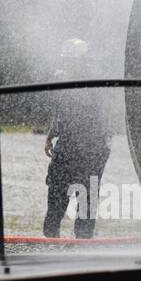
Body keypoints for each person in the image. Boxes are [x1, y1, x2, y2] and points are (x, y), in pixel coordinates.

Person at [42, 38, 112, 239]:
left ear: (82, 61)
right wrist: (50, 135)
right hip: (69, 142)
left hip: (93, 146)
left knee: (87, 195)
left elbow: (82, 106)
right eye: (65, 60)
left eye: (70, 61)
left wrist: (64, 82)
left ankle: (84, 242)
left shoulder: (92, 80)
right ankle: (50, 237)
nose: (65, 64)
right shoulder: (66, 80)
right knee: (56, 189)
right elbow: (63, 112)